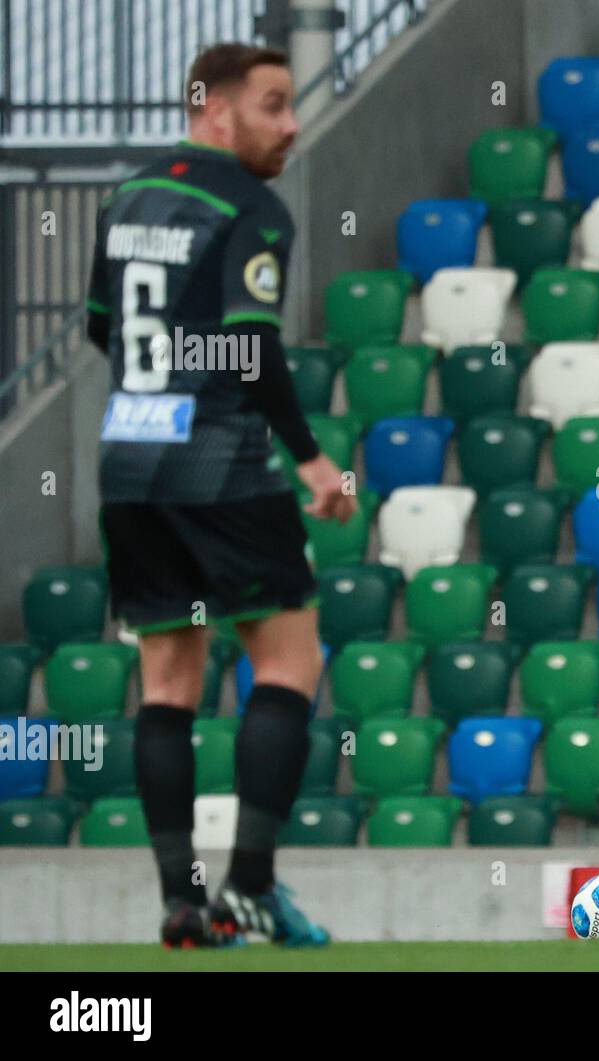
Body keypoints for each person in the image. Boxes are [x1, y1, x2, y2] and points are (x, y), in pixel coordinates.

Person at [85, 42, 355, 948]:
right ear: (214, 109)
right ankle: (249, 884)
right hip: (223, 464)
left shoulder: (125, 198)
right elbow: (253, 345)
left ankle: (180, 901)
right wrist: (312, 460)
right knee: (287, 664)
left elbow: (100, 328)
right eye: (274, 105)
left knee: (165, 684)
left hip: (129, 462)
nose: (291, 123)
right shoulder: (251, 205)